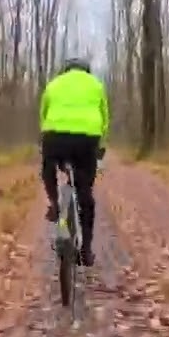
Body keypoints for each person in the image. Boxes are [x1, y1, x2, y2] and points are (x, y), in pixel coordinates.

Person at [39, 56, 109, 266]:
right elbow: (105, 119)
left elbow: (43, 116)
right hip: (87, 140)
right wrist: (101, 146)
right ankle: (86, 251)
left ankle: (54, 204)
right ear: (86, 70)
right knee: (85, 193)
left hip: (55, 137)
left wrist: (46, 143)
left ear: (65, 69)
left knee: (47, 167)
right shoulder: (96, 85)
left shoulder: (54, 84)